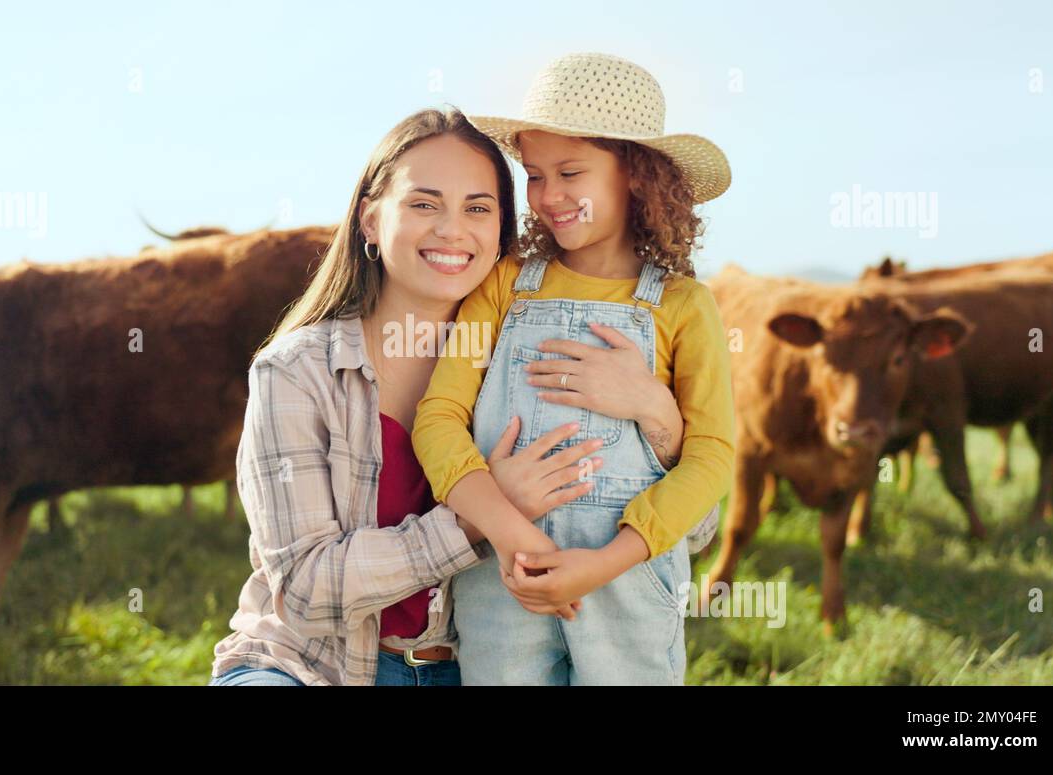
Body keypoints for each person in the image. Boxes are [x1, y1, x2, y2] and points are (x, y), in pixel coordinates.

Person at [208, 105, 693, 685]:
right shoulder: (297, 372)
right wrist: (479, 517)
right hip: (311, 666)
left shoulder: (536, 354)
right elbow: (307, 594)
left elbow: (695, 527)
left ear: (501, 234)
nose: (451, 229)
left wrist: (656, 414)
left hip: (473, 670)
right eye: (424, 203)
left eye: (478, 209)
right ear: (369, 220)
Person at [412, 52, 734, 685]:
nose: (548, 196)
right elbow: (439, 416)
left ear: (635, 177)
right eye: (534, 175)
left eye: (570, 172)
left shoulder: (683, 305)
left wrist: (609, 560)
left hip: (627, 578)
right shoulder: (504, 286)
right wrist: (509, 534)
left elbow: (711, 456)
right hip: (504, 572)